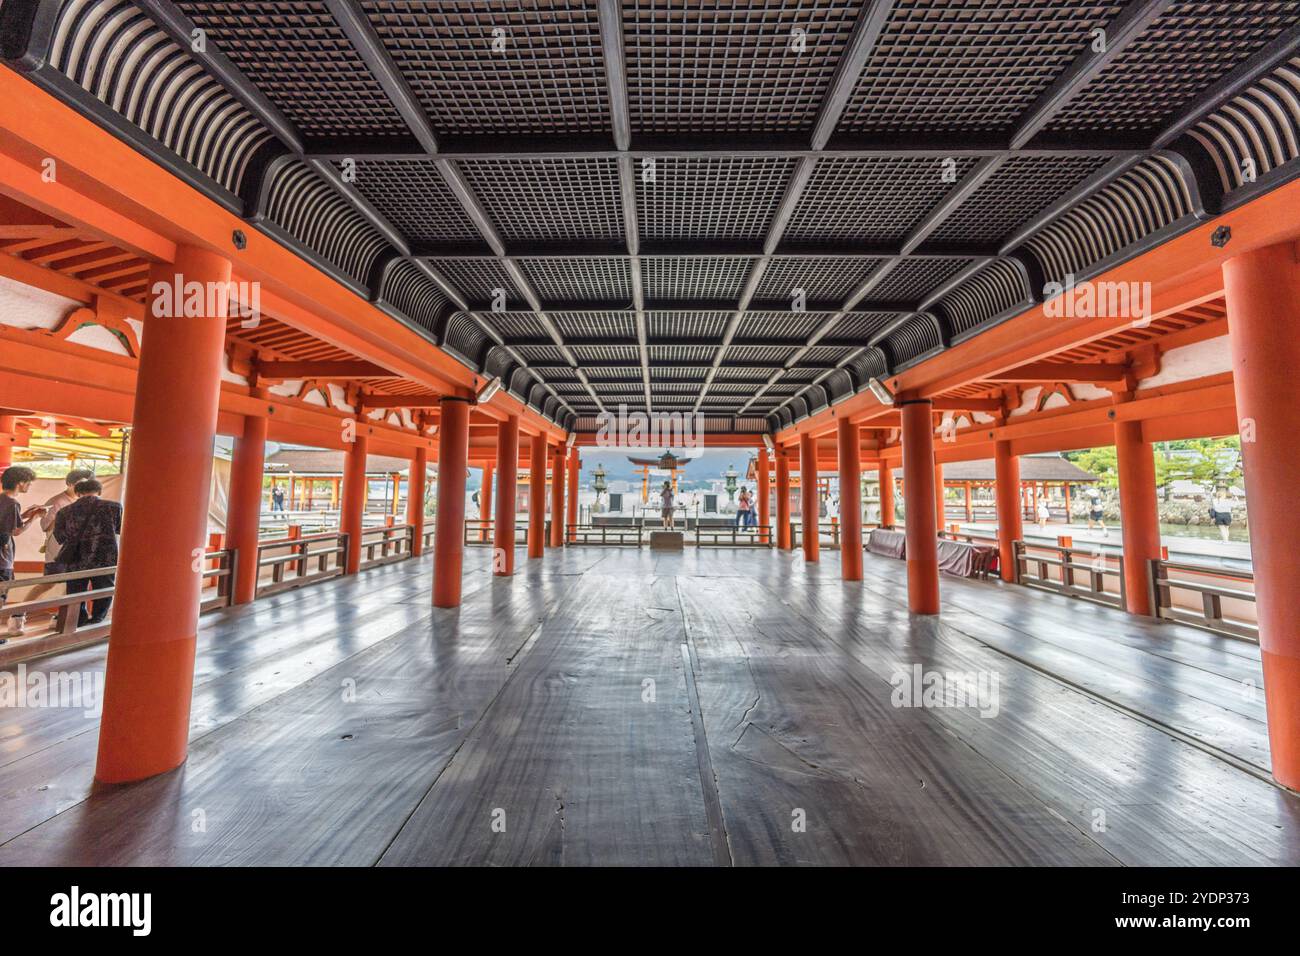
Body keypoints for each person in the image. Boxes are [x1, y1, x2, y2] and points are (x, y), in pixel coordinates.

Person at [20, 468, 95, 628]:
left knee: (74, 584)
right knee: (48, 583)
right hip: (58, 549)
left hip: (78, 550)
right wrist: (64, 518)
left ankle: (60, 616)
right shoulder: (56, 501)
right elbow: (45, 525)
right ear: (69, 483)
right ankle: (18, 614)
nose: (81, 488)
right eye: (78, 484)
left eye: (85, 484)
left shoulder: (86, 501)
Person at [54, 478, 122, 627]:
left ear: (78, 493)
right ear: (99, 491)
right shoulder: (114, 507)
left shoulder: (64, 512)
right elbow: (121, 530)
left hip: (75, 559)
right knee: (104, 589)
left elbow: (60, 536)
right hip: (105, 558)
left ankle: (78, 620)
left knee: (76, 592)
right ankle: (97, 620)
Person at [0, 465, 48, 640]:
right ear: (20, 482)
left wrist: (26, 514)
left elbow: (9, 522)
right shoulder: (12, 503)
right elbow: (16, 531)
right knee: (1, 595)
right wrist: (35, 518)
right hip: (2, 558)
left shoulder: (2, 500)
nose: (29, 486)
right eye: (28, 482)